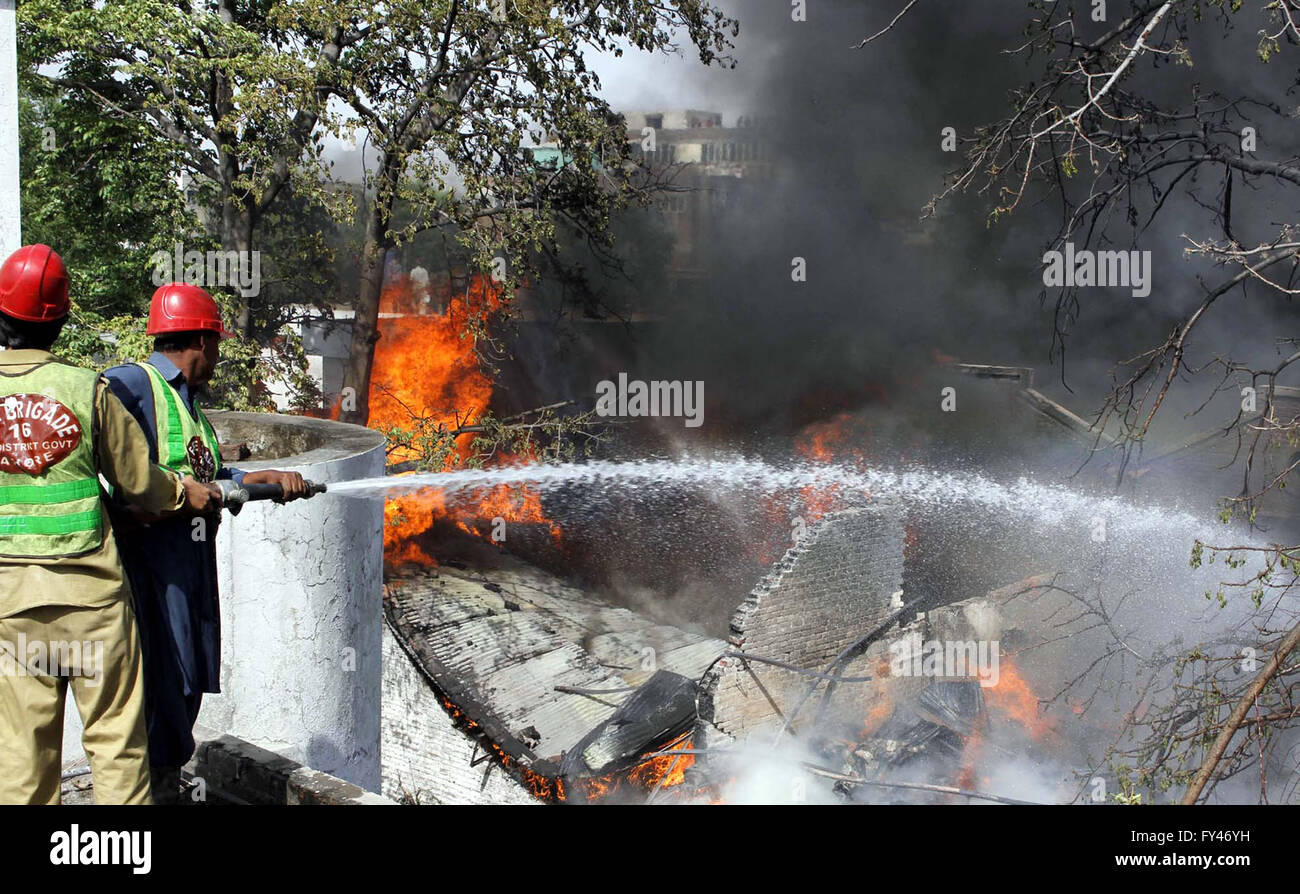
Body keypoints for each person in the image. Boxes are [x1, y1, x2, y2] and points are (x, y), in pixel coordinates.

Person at [0, 245, 222, 804]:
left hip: (12, 609)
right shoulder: (85, 390)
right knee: (117, 749)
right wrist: (185, 492)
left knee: (23, 756)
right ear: (60, 318)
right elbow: (138, 482)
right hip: (91, 604)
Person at [104, 282, 306, 803]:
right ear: (199, 340)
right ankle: (151, 795)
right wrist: (126, 513)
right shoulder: (129, 384)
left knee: (186, 683)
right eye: (215, 344)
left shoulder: (186, 406)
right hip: (154, 572)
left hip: (190, 569)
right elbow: (96, 454)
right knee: (161, 689)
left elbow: (207, 475)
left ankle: (163, 784)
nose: (216, 357)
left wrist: (261, 476)